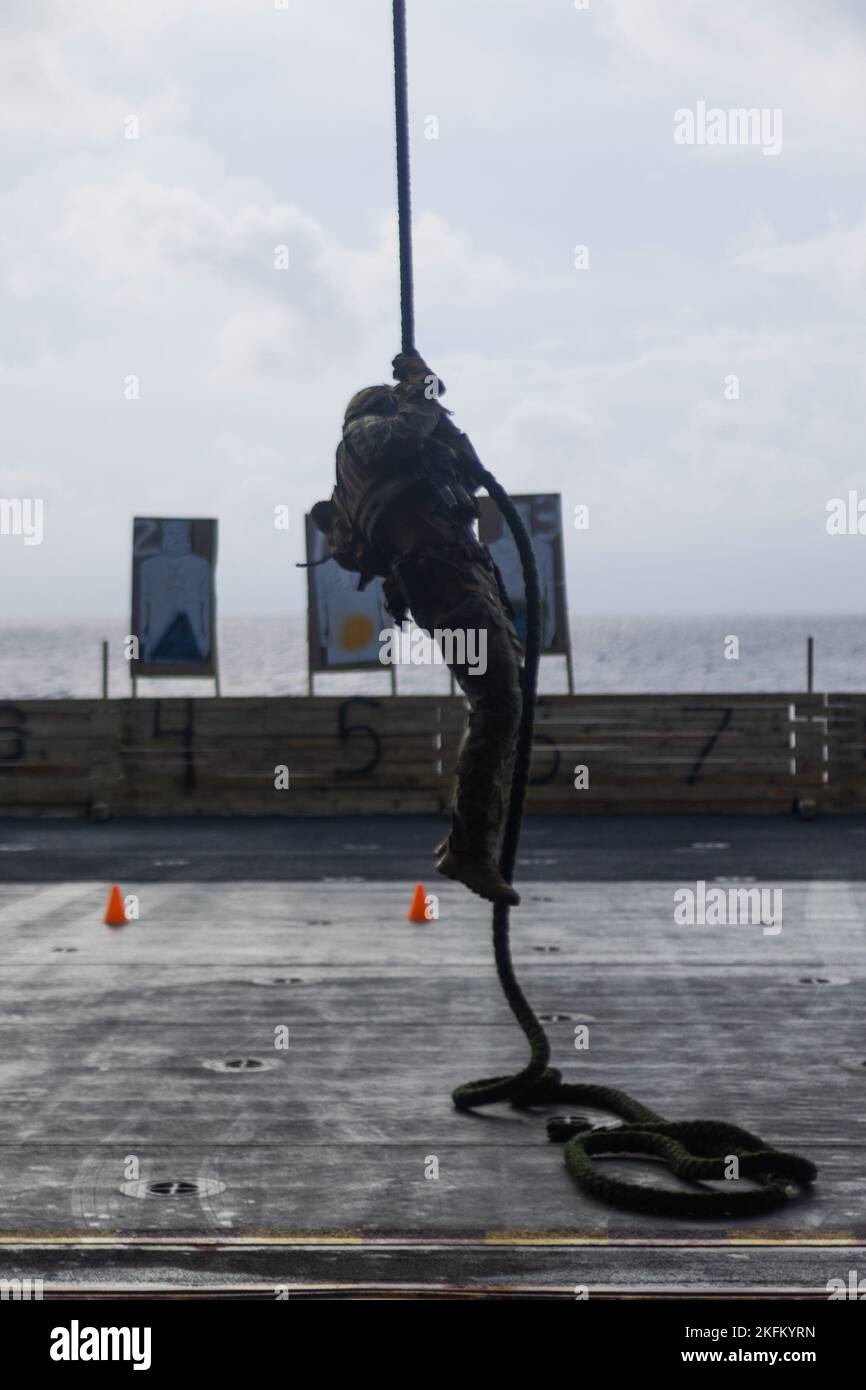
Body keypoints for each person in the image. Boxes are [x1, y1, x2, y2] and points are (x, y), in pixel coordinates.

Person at [311, 350, 523, 906]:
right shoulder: (364, 437)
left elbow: (469, 466)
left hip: (465, 571)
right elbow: (404, 431)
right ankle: (470, 847)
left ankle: (473, 842)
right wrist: (422, 385)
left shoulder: (417, 445)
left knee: (505, 698)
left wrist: (436, 405)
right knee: (497, 701)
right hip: (440, 580)